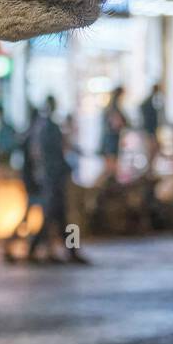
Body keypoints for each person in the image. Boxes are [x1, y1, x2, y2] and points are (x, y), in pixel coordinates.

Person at [28, 96, 88, 265]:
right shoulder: (50, 128)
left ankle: (69, 251)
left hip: (52, 179)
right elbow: (56, 154)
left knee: (61, 219)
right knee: (60, 218)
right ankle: (38, 249)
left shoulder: (41, 128)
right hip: (56, 180)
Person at [98, 86, 128, 182]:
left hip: (110, 141)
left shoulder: (110, 107)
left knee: (111, 169)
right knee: (110, 169)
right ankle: (96, 188)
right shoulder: (113, 108)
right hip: (111, 142)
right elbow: (116, 124)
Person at [139, 83, 162, 176]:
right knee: (152, 149)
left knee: (154, 149)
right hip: (150, 130)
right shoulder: (149, 101)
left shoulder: (152, 100)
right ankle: (149, 169)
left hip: (151, 129)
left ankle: (150, 169)